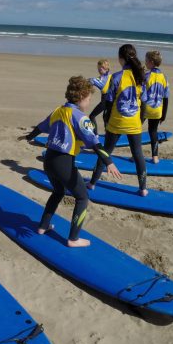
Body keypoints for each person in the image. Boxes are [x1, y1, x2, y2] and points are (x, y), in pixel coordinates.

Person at [23, 76, 122, 247]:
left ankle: (43, 226)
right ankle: (73, 239)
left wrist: (28, 137)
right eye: (89, 99)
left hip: (49, 160)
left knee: (58, 192)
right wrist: (109, 162)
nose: (89, 102)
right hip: (63, 163)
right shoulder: (80, 117)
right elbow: (95, 144)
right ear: (81, 97)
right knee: (83, 197)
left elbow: (40, 127)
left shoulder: (58, 111)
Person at [88, 44, 149, 196]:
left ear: (121, 59)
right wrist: (140, 121)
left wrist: (107, 119)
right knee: (138, 154)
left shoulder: (116, 77)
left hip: (116, 121)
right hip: (134, 122)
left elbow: (109, 102)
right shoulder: (141, 77)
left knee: (106, 152)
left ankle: (92, 183)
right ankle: (143, 188)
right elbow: (144, 104)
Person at [141, 50, 170, 163]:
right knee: (153, 132)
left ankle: (135, 155)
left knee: (137, 131)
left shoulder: (147, 76)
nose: (145, 62)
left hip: (145, 108)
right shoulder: (164, 77)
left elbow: (141, 94)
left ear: (151, 62)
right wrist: (163, 115)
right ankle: (155, 157)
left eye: (146, 61)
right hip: (158, 110)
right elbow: (166, 98)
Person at [88, 58, 111, 130]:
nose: (99, 71)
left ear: (106, 68)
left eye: (100, 69)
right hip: (108, 100)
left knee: (92, 116)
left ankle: (95, 134)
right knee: (106, 117)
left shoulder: (107, 77)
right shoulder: (108, 76)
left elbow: (101, 85)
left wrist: (92, 80)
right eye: (98, 69)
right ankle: (107, 133)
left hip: (106, 101)